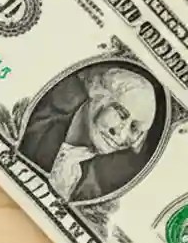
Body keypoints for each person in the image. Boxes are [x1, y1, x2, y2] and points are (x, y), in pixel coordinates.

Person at [20, 66, 158, 202]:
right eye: (120, 113)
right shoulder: (35, 122)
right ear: (99, 96)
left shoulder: (97, 188)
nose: (121, 135)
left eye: (134, 128)